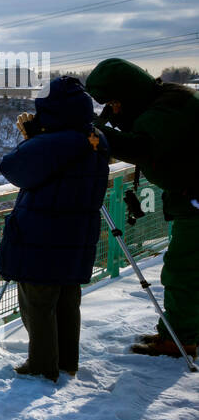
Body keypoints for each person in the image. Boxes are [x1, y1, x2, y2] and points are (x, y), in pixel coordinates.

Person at [0, 76, 110, 381]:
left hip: (42, 236)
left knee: (39, 304)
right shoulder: (94, 137)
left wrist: (33, 137)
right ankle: (66, 362)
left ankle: (42, 367)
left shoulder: (55, 142)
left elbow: (14, 168)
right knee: (67, 299)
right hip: (77, 233)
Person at [85, 58, 199, 357]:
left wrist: (98, 135)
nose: (115, 110)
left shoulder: (163, 113)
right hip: (189, 197)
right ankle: (180, 332)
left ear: (127, 94)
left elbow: (143, 147)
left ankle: (179, 340)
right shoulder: (171, 98)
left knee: (182, 271)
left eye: (114, 102)